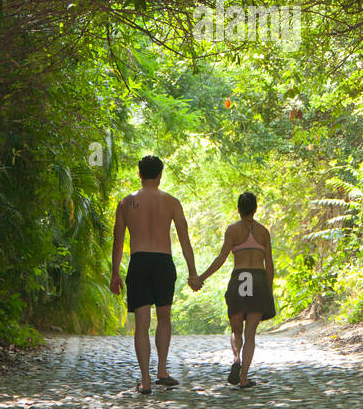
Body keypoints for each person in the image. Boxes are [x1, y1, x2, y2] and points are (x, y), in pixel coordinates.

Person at [109, 155, 200, 394]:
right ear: (160, 175)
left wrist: (114, 273)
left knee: (141, 324)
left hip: (139, 262)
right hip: (162, 262)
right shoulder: (171, 202)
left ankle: (145, 380)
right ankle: (162, 370)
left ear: (139, 174)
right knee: (164, 317)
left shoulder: (126, 203)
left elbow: (118, 242)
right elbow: (184, 241)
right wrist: (193, 272)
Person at [191, 191, 274, 389]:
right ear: (255, 208)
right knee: (251, 334)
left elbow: (221, 259)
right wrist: (268, 291)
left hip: (239, 280)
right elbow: (269, 265)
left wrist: (201, 278)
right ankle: (244, 377)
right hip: (258, 280)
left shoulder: (232, 230)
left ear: (239, 209)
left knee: (237, 330)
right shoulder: (263, 232)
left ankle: (236, 359)